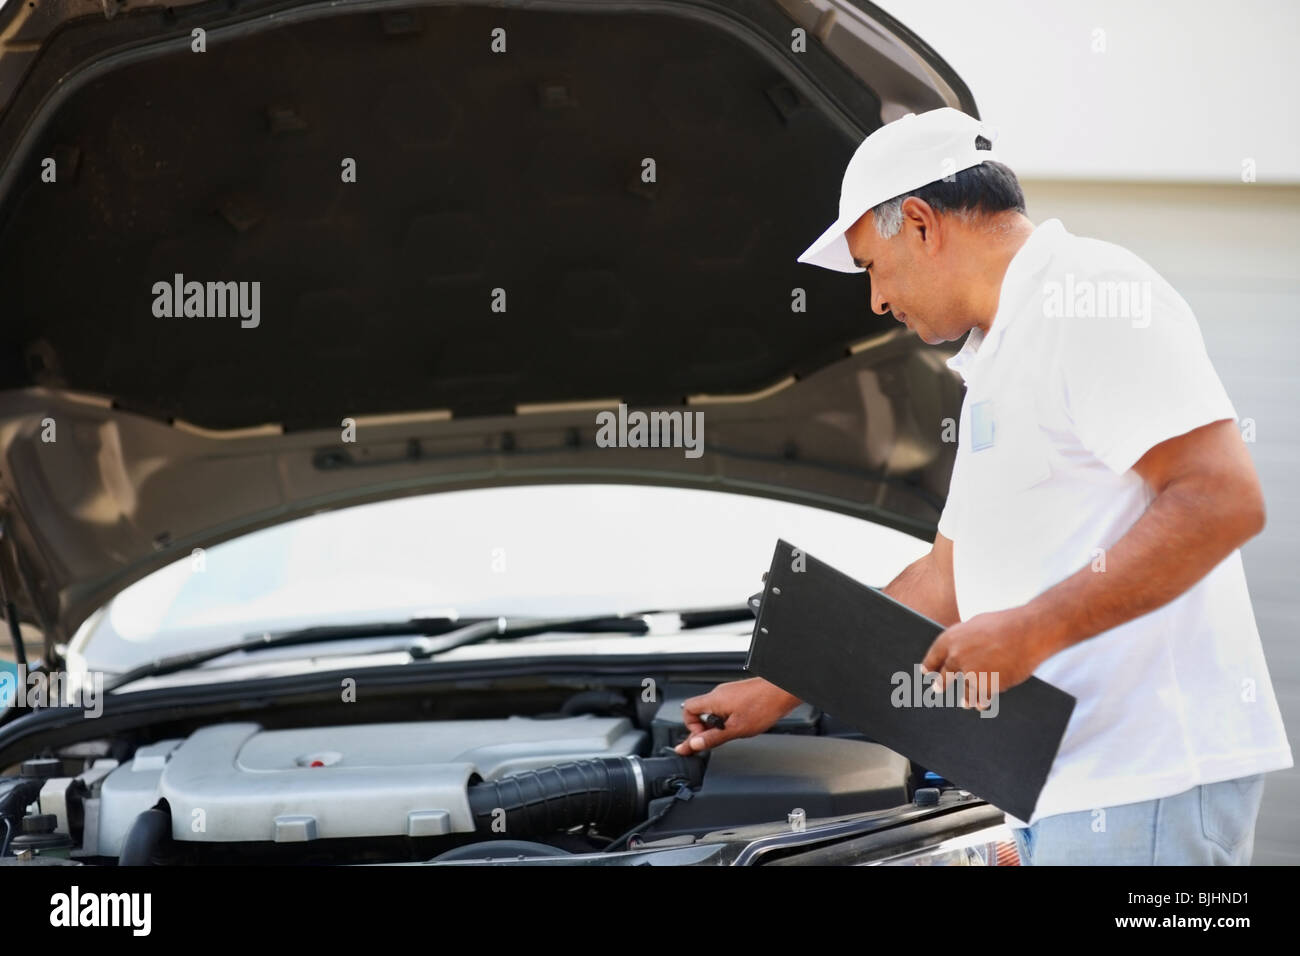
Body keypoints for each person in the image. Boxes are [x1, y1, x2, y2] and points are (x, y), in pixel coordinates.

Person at [674, 107, 1293, 865]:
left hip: (1147, 781)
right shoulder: (999, 358)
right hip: (1069, 789)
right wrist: (781, 685)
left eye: (871, 265)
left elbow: (1221, 500)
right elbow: (945, 577)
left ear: (923, 224)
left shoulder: (1091, 296)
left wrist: (1034, 630)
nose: (874, 300)